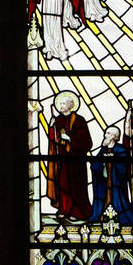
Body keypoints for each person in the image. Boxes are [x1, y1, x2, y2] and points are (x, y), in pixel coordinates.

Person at [45, 91, 92, 221]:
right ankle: (64, 209)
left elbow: (87, 143)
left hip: (76, 161)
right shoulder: (58, 119)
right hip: (62, 159)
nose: (61, 105)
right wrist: (51, 127)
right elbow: (54, 139)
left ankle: (78, 212)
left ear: (71, 105)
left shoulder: (79, 120)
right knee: (62, 185)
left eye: (64, 103)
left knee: (76, 187)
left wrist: (70, 139)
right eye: (60, 103)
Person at [89, 126, 133, 224]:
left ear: (114, 136)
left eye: (108, 133)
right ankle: (103, 215)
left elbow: (123, 167)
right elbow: (95, 165)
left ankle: (118, 216)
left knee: (117, 200)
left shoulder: (121, 149)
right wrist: (103, 154)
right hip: (104, 183)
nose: (105, 135)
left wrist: (112, 160)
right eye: (105, 133)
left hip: (116, 183)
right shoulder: (103, 149)